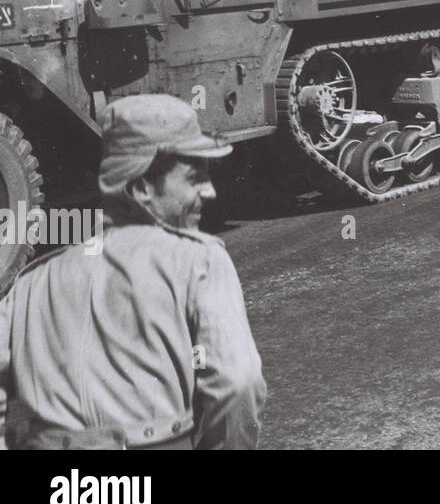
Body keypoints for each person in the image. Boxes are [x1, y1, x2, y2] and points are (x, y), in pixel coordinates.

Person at [0, 94, 265, 449]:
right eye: (194, 177)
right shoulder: (198, 261)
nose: (210, 190)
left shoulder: (31, 283)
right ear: (141, 188)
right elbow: (238, 384)